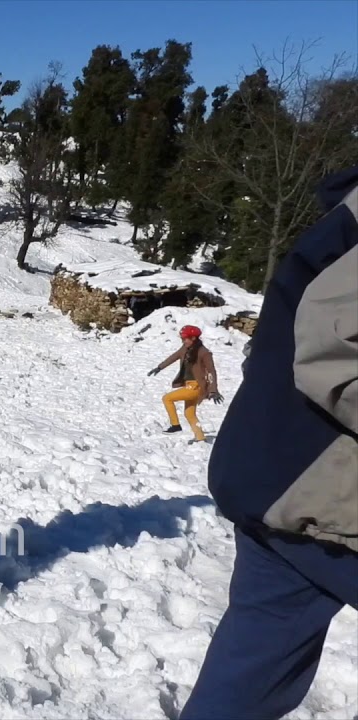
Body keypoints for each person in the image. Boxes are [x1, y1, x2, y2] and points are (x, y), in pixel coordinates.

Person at [179, 167, 358, 718]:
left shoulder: (339, 220)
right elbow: (331, 344)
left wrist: (206, 385)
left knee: (250, 667)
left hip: (275, 478)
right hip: (320, 488)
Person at [148, 325, 223, 442]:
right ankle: (200, 438)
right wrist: (159, 367)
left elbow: (211, 371)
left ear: (193, 338)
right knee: (189, 414)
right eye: (182, 339)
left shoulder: (204, 353)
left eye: (185, 339)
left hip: (196, 387)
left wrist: (213, 390)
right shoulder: (185, 348)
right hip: (189, 384)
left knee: (167, 398)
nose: (183, 341)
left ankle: (175, 425)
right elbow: (174, 357)